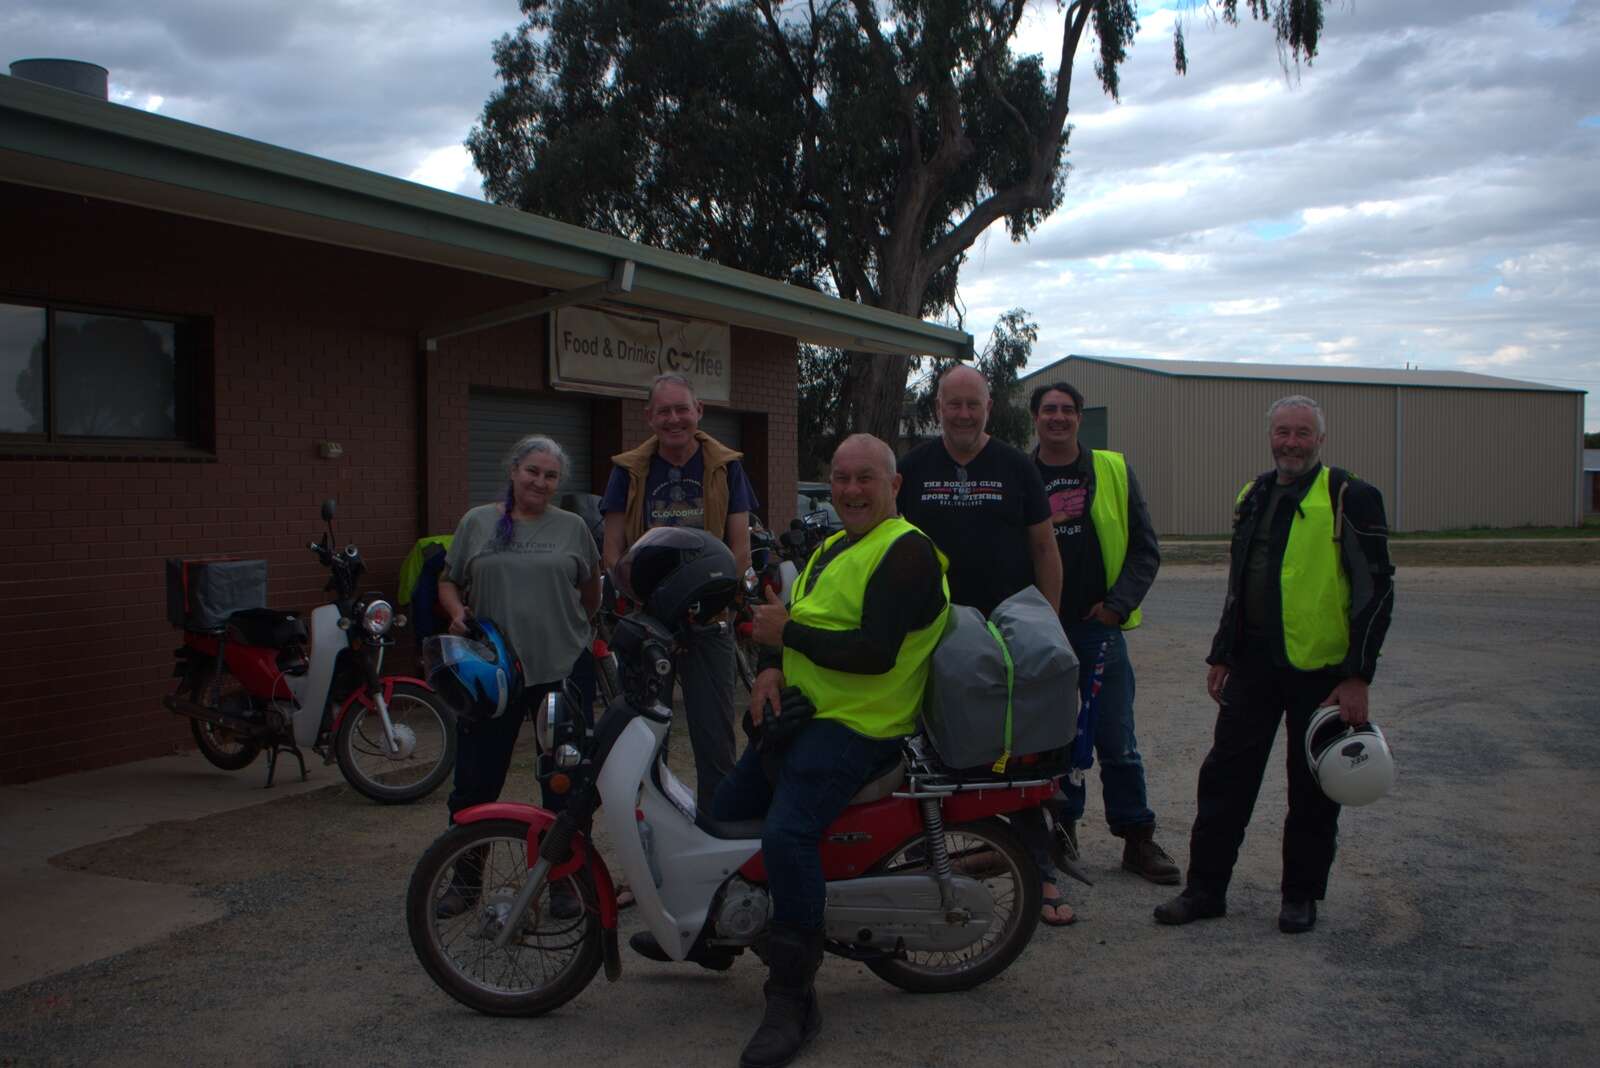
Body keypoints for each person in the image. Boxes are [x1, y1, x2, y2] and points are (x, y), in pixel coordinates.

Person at [661, 433, 948, 1068]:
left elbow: (873, 654)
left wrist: (788, 633)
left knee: (788, 837)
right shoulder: (828, 550)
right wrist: (768, 668)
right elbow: (781, 621)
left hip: (862, 728)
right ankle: (719, 931)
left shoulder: (908, 554)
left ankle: (794, 1000)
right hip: (804, 716)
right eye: (841, 478)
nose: (849, 490)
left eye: (865, 479)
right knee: (725, 810)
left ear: (893, 486)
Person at [1155, 395, 1395, 934]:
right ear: (1271, 436)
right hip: (1254, 666)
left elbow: (1375, 591)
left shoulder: (1349, 497)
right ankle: (1204, 891)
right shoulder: (1254, 493)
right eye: (1282, 432)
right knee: (1224, 780)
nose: (1290, 442)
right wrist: (1222, 653)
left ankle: (1300, 897)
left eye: (1302, 434)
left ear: (1320, 440)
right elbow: (1239, 583)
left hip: (1323, 673)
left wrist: (1358, 676)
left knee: (1311, 789)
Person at [895, 364, 1072, 925]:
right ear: (937, 407)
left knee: (1017, 761)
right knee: (924, 756)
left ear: (989, 408)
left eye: (973, 404)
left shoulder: (1016, 467)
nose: (964, 414)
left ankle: (1039, 874)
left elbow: (1045, 550)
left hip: (1006, 639)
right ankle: (927, 868)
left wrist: (1049, 625)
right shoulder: (914, 468)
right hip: (933, 636)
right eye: (954, 404)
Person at [435, 435, 600, 916]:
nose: (540, 482)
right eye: (532, 471)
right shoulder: (477, 523)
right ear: (513, 470)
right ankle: (464, 882)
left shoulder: (572, 528)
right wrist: (455, 610)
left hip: (563, 669)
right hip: (493, 672)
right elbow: (450, 579)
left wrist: (576, 633)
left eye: (550, 476)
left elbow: (591, 590)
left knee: (565, 782)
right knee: (475, 780)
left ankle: (563, 885)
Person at [1030, 381, 1179, 885]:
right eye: (1049, 409)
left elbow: (1144, 548)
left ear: (1079, 418)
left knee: (1117, 739)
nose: (1058, 417)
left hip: (1098, 629)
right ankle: (1059, 831)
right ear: (1035, 419)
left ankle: (1137, 838)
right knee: (1050, 740)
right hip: (1040, 631)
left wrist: (1118, 607)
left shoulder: (1112, 470)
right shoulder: (1018, 473)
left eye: (1067, 410)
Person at [601, 372, 757, 810]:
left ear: (699, 411)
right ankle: (652, 848)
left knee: (715, 741)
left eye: (682, 409)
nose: (674, 419)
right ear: (649, 417)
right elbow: (612, 551)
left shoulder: (727, 467)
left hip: (708, 620)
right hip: (647, 624)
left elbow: (739, 548)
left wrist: (714, 602)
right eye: (664, 411)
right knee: (645, 739)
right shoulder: (628, 470)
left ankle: (716, 846)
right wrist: (642, 605)